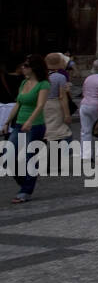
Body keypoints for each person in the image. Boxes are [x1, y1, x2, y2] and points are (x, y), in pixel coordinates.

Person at [2, 55, 50, 202]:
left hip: (35, 125)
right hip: (19, 124)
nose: (22, 68)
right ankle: (26, 182)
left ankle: (26, 191)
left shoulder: (43, 84)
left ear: (34, 68)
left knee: (30, 158)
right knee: (7, 156)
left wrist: (30, 121)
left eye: (26, 65)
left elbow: (40, 105)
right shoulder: (24, 82)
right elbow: (18, 103)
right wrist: (7, 122)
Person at [42, 52, 74, 148]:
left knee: (44, 132)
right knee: (56, 134)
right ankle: (54, 160)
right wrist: (67, 114)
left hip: (42, 104)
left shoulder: (41, 76)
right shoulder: (60, 77)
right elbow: (62, 97)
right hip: (54, 105)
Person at [79, 59, 98, 152]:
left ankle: (85, 154)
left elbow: (84, 92)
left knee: (85, 131)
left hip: (84, 105)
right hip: (96, 106)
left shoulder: (88, 78)